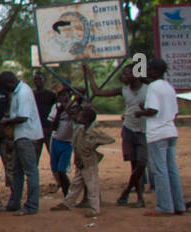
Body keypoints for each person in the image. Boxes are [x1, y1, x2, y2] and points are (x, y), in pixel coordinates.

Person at [85, 63, 155, 207]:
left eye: (126, 74)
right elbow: (97, 92)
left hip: (143, 130)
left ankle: (127, 191)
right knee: (134, 164)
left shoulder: (149, 90)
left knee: (141, 163)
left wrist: (143, 111)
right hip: (129, 129)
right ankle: (139, 198)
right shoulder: (123, 90)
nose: (124, 77)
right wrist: (90, 74)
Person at [51, 102, 111, 217]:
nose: (78, 117)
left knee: (91, 185)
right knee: (76, 183)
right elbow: (75, 145)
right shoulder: (80, 131)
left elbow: (106, 139)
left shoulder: (93, 132)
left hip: (89, 161)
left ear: (87, 120)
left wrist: (93, 146)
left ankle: (95, 208)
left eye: (81, 116)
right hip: (81, 161)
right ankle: (67, 203)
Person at [142, 57, 185, 216]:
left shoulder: (153, 87)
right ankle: (178, 205)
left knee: (159, 170)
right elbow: (174, 111)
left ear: (155, 72)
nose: (146, 71)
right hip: (170, 130)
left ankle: (165, 206)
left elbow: (153, 110)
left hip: (157, 132)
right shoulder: (169, 87)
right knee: (171, 169)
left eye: (149, 69)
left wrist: (140, 112)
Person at [0, 69, 43, 215]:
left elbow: (23, 117)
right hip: (20, 136)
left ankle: (31, 205)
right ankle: (14, 203)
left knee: (30, 171)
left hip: (26, 135)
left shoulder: (23, 92)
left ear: (10, 83)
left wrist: (7, 121)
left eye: (6, 87)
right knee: (17, 171)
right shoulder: (18, 92)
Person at [46, 85, 75, 198]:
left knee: (62, 169)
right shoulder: (56, 107)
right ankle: (64, 190)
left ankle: (68, 192)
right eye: (61, 95)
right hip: (56, 140)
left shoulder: (74, 106)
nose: (63, 97)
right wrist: (59, 111)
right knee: (55, 168)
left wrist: (67, 107)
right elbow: (53, 126)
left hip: (68, 142)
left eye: (65, 94)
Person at [31, 72, 57, 165]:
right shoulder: (31, 94)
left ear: (44, 80)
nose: (38, 81)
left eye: (40, 79)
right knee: (35, 156)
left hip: (48, 128)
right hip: (36, 129)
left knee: (53, 154)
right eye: (36, 79)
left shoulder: (51, 95)